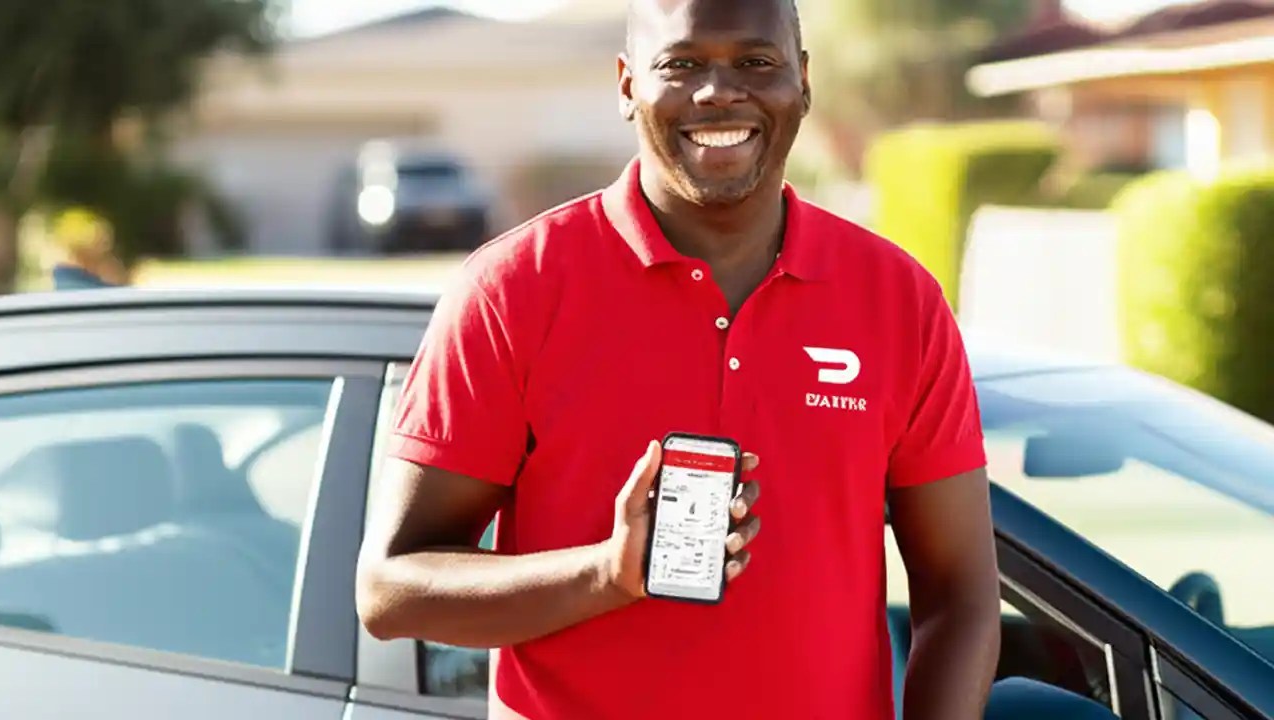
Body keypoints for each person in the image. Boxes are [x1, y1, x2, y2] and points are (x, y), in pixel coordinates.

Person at [356, 0, 1001, 718]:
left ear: (803, 81)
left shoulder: (896, 299)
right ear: (628, 84)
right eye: (681, 64)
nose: (718, 92)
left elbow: (961, 597)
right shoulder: (515, 289)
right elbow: (391, 590)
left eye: (756, 62)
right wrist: (605, 573)